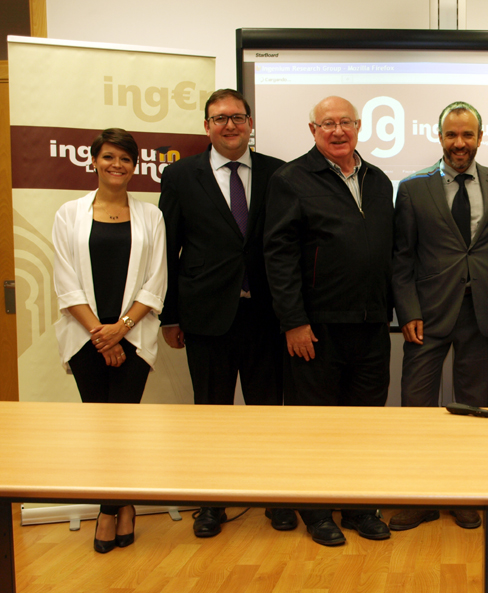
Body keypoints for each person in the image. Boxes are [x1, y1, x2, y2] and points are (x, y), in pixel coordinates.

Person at [158, 89, 292, 538]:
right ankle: (210, 504)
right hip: (206, 316)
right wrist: (169, 316)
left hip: (266, 316)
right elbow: (168, 251)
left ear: (250, 123)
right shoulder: (180, 176)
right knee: (210, 413)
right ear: (206, 127)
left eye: (237, 117)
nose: (229, 126)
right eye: (220, 119)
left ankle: (275, 500)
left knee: (269, 414)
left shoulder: (279, 173)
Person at [264, 96, 393, 546]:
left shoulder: (378, 180)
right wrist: (293, 321)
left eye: (346, 123)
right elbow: (278, 256)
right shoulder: (292, 179)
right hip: (316, 328)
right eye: (328, 124)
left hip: (373, 325)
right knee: (314, 425)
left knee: (365, 424)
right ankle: (317, 512)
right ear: (312, 129)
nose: (338, 131)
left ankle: (359, 509)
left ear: (359, 126)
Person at [390, 101, 488, 532]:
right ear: (439, 137)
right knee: (417, 407)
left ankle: (464, 495)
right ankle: (419, 498)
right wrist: (406, 310)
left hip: (481, 312)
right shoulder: (411, 188)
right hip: (426, 314)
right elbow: (401, 257)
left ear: (480, 137)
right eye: (451, 135)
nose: (459, 144)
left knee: (472, 408)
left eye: (467, 135)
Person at [52, 128, 166, 554]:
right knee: (100, 428)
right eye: (109, 157)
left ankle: (109, 508)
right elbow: (65, 281)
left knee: (125, 426)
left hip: (134, 338)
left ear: (135, 167)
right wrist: (102, 336)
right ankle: (117, 506)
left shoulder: (151, 216)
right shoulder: (69, 213)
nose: (117, 165)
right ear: (94, 161)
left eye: (125, 159)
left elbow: (156, 282)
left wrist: (121, 328)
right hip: (84, 339)